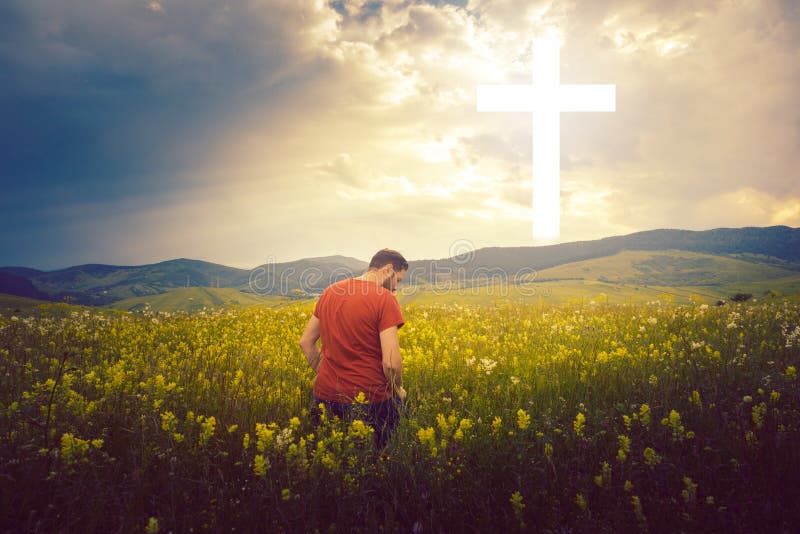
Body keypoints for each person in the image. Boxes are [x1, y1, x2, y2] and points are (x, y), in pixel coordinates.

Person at [298, 248, 408, 448]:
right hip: (371, 401)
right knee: (382, 457)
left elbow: (306, 342)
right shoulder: (384, 298)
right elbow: (391, 363)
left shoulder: (330, 291)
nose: (395, 288)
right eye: (397, 280)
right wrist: (397, 389)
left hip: (324, 396)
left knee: (331, 459)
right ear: (388, 269)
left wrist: (325, 374)